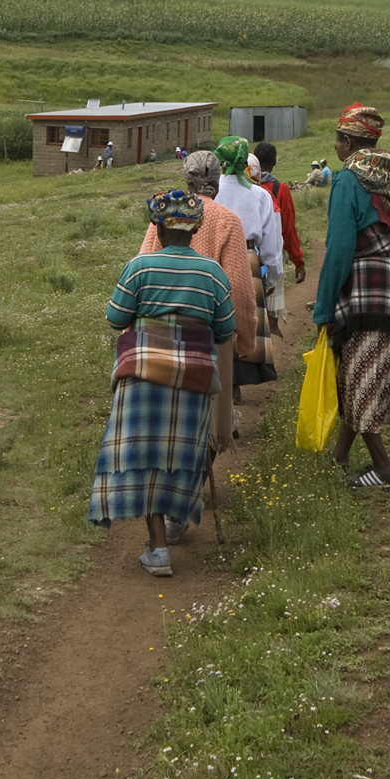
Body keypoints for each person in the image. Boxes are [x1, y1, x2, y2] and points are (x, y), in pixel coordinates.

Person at [94, 190, 236, 577]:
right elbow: (226, 331)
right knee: (181, 454)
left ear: (157, 226)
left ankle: (158, 548)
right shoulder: (212, 273)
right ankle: (177, 520)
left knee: (146, 459)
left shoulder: (140, 267)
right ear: (196, 228)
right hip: (193, 378)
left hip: (142, 376)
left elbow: (114, 315)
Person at [311, 104, 390, 490]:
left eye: (337, 139)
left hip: (368, 299)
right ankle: (340, 456)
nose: (335, 146)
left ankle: (383, 468)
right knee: (358, 374)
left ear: (348, 141)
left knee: (357, 378)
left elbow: (340, 249)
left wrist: (324, 307)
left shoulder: (348, 181)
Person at [140, 151, 255, 458]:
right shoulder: (229, 220)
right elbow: (240, 290)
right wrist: (243, 339)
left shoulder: (165, 218)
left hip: (160, 329)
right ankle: (198, 479)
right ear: (217, 183)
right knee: (211, 414)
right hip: (208, 332)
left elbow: (144, 263)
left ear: (187, 181)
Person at [213, 136, 284, 400]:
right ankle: (235, 383)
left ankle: (217, 383)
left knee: (215, 318)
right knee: (243, 318)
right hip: (247, 258)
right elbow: (271, 245)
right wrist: (272, 276)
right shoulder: (260, 195)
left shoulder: (211, 190)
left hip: (213, 255)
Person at [251, 143, 307, 310]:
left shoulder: (246, 187)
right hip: (273, 254)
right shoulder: (279, 189)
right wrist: (298, 261)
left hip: (247, 254)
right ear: (274, 163)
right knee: (272, 308)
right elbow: (288, 228)